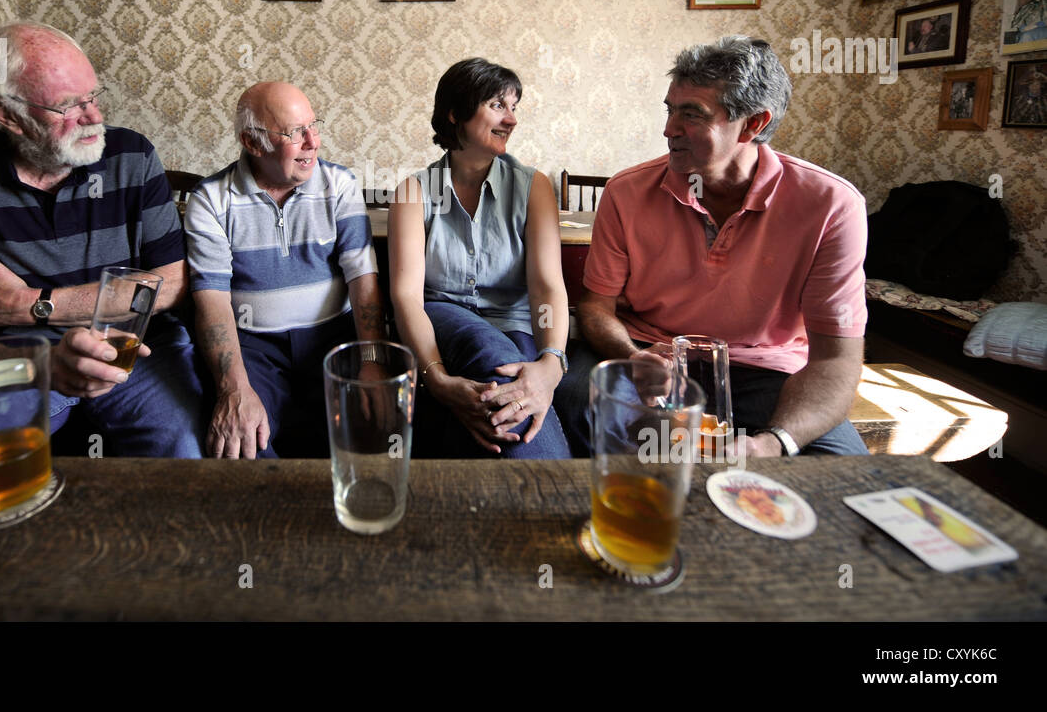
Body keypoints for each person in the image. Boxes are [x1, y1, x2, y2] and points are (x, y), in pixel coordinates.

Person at [0, 22, 206, 547]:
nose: (93, 117)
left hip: (132, 349)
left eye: (93, 96)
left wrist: (29, 305)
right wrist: (45, 365)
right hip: (5, 361)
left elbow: (171, 285)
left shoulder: (133, 157)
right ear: (7, 114)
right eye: (68, 106)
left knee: (187, 443)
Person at [557, 36, 869, 458]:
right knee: (576, 409)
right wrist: (633, 355)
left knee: (837, 467)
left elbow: (835, 360)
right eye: (670, 110)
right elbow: (596, 309)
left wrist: (774, 444)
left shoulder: (832, 205)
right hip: (650, 354)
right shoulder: (626, 191)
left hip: (766, 371)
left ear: (754, 123)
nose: (669, 130)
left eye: (692, 115)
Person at [184, 82, 385, 458]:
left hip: (332, 341)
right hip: (253, 348)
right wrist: (235, 389)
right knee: (242, 445)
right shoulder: (210, 199)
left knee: (366, 438)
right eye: (294, 132)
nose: (312, 142)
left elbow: (363, 278)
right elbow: (211, 300)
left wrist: (372, 361)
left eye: (314, 125)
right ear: (253, 142)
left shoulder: (340, 184)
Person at [388, 58, 571, 458]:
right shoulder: (413, 192)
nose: (512, 120)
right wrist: (434, 376)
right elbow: (406, 297)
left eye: (514, 108)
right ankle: (556, 491)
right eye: (497, 105)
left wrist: (551, 363)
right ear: (455, 113)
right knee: (493, 358)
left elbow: (547, 286)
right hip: (444, 323)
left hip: (516, 324)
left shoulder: (532, 186)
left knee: (512, 383)